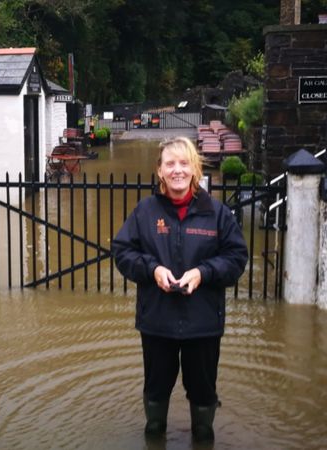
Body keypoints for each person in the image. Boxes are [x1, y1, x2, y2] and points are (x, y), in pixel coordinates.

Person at [112, 136, 248, 442]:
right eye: (170, 163)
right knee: (156, 391)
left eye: (184, 163)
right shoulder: (145, 212)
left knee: (202, 395)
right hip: (157, 323)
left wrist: (203, 273)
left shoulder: (217, 213)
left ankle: (203, 432)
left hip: (203, 325)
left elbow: (237, 258)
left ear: (195, 168)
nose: (177, 170)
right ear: (159, 170)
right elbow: (122, 251)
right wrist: (153, 269)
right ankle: (155, 431)